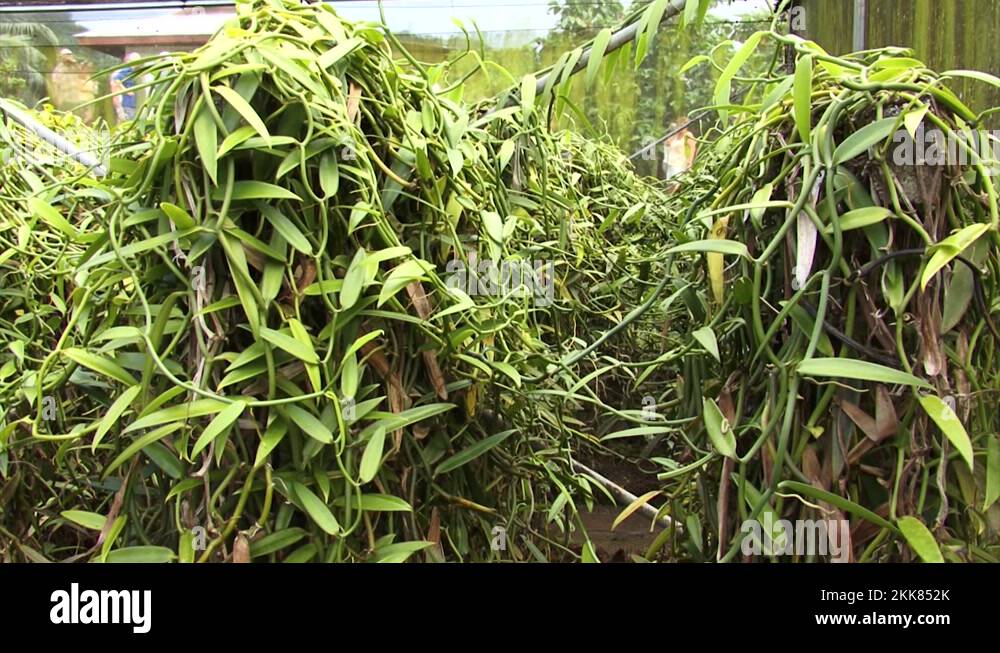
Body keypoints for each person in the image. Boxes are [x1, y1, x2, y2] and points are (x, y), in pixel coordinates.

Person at [110, 52, 141, 122]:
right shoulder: (127, 70)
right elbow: (116, 79)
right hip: (127, 103)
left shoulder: (136, 71)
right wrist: (126, 90)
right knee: (128, 122)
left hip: (134, 103)